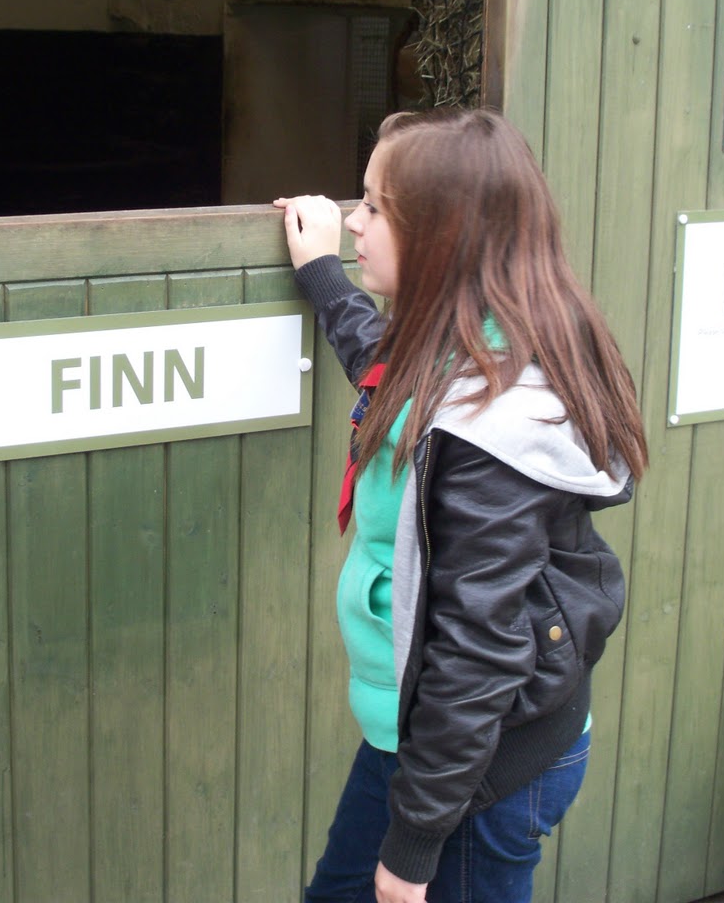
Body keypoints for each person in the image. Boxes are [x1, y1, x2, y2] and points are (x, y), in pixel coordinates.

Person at [274, 108, 647, 903]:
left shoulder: (491, 428)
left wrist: (413, 849)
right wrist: (323, 274)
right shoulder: (454, 345)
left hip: (480, 768)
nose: (354, 221)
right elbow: (383, 369)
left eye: (377, 209)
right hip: (424, 742)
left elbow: (477, 652)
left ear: (444, 237)